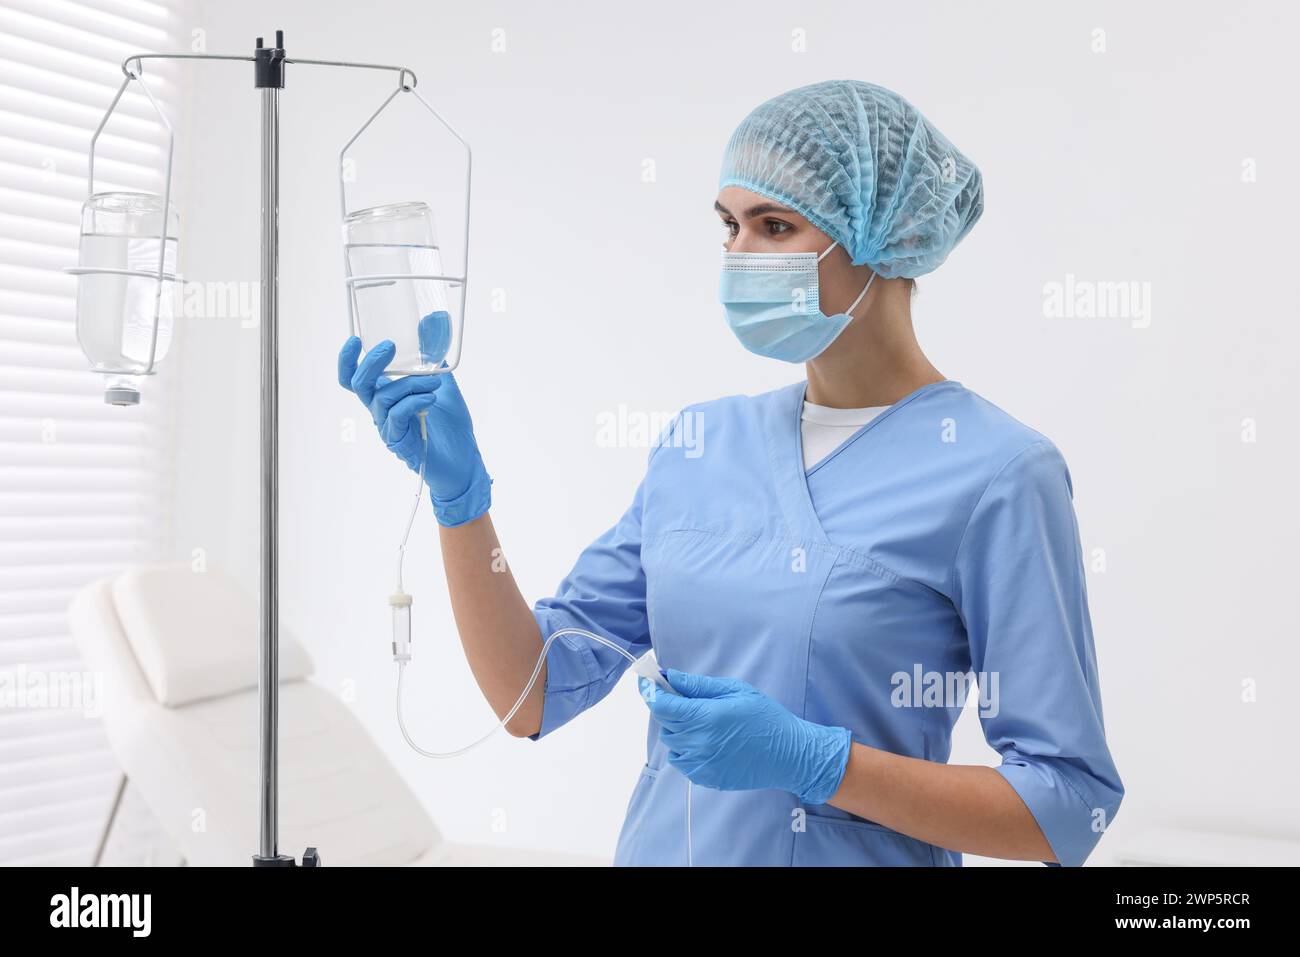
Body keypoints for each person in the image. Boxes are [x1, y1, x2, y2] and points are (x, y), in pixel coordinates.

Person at [338, 80, 1123, 866]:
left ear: (882, 238)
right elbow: (529, 693)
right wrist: (459, 498)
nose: (738, 256)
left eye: (775, 225)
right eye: (729, 226)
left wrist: (820, 762)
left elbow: (1067, 804)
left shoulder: (998, 473)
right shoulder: (701, 443)